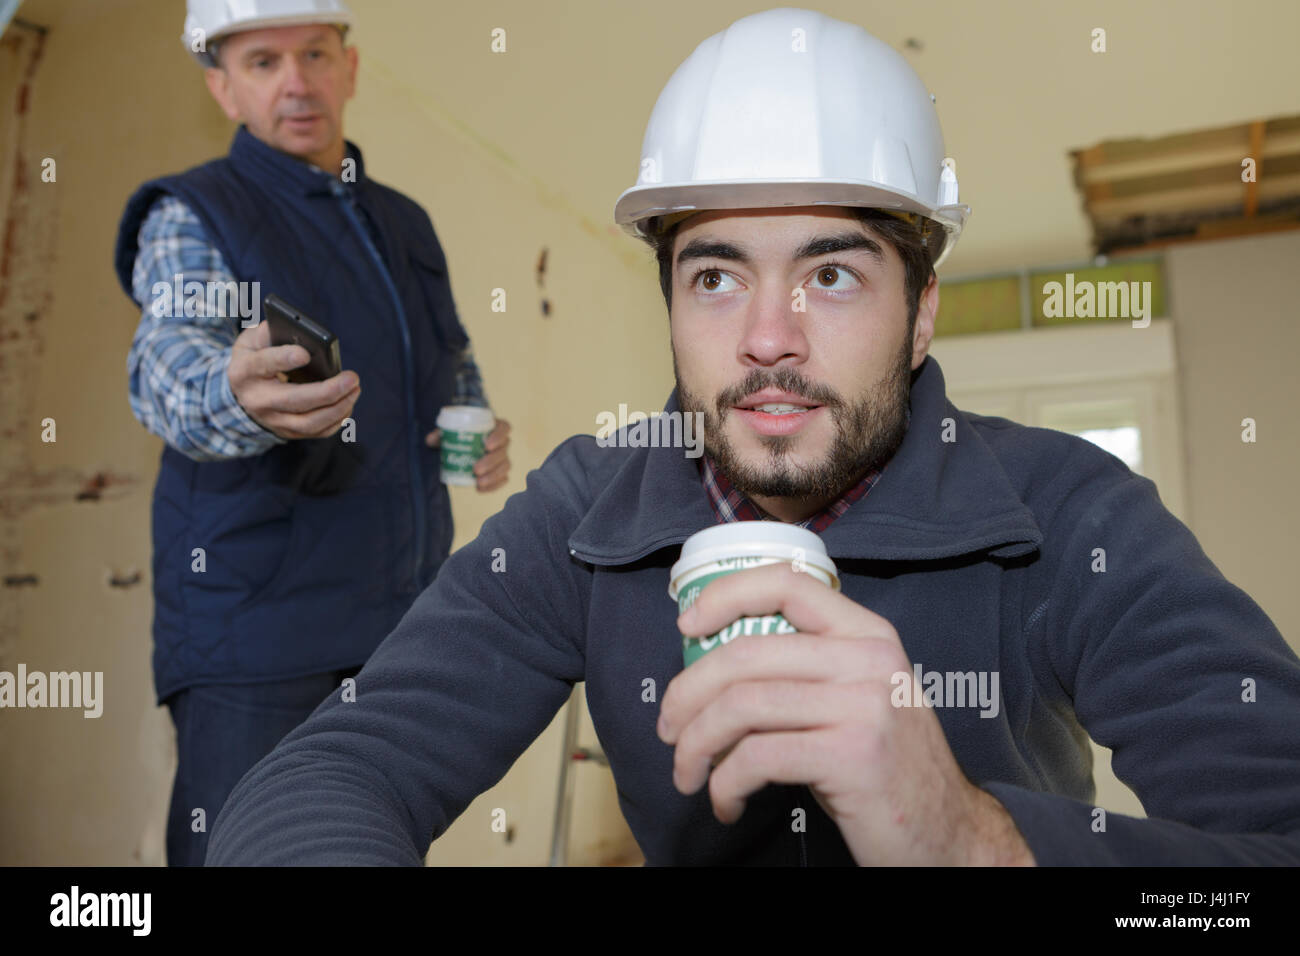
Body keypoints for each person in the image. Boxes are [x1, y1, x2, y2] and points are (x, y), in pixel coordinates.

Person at [205, 8, 1300, 866]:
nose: (768, 338)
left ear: (919, 313)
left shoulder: (1070, 515)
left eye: (830, 272)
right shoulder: (587, 514)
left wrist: (973, 840)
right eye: (717, 275)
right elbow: (335, 770)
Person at [112, 0, 511, 867]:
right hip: (253, 644)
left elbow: (451, 362)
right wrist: (233, 392)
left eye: (315, 54)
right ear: (221, 86)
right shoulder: (194, 213)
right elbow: (165, 365)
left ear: (351, 68)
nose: (297, 82)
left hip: (395, 633)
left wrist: (475, 428)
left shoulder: (403, 223)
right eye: (262, 62)